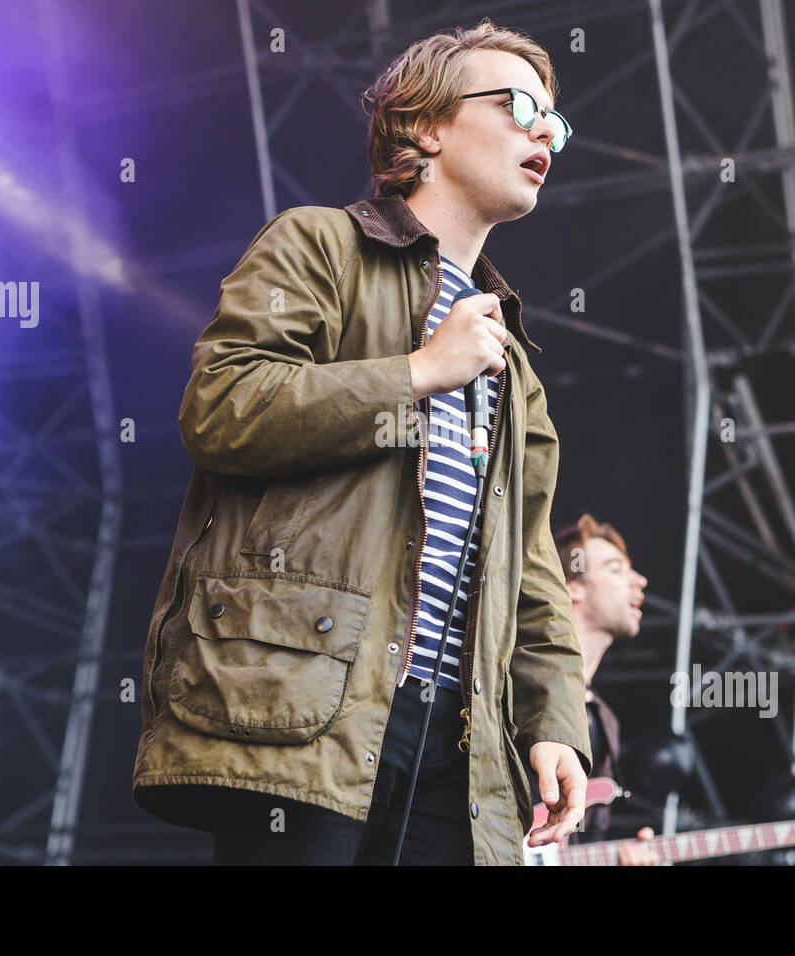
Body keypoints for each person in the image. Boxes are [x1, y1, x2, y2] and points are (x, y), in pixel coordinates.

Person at [132, 19, 592, 866]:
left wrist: (556, 723)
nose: (543, 131)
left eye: (553, 122)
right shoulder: (319, 244)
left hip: (460, 749)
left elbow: (529, 567)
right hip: (304, 713)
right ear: (424, 126)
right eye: (519, 105)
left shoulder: (512, 363)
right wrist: (416, 372)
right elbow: (222, 407)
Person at [528, 514, 660, 866]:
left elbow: (582, 840)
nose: (639, 581)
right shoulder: (517, 682)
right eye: (616, 569)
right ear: (572, 586)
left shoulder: (606, 721)